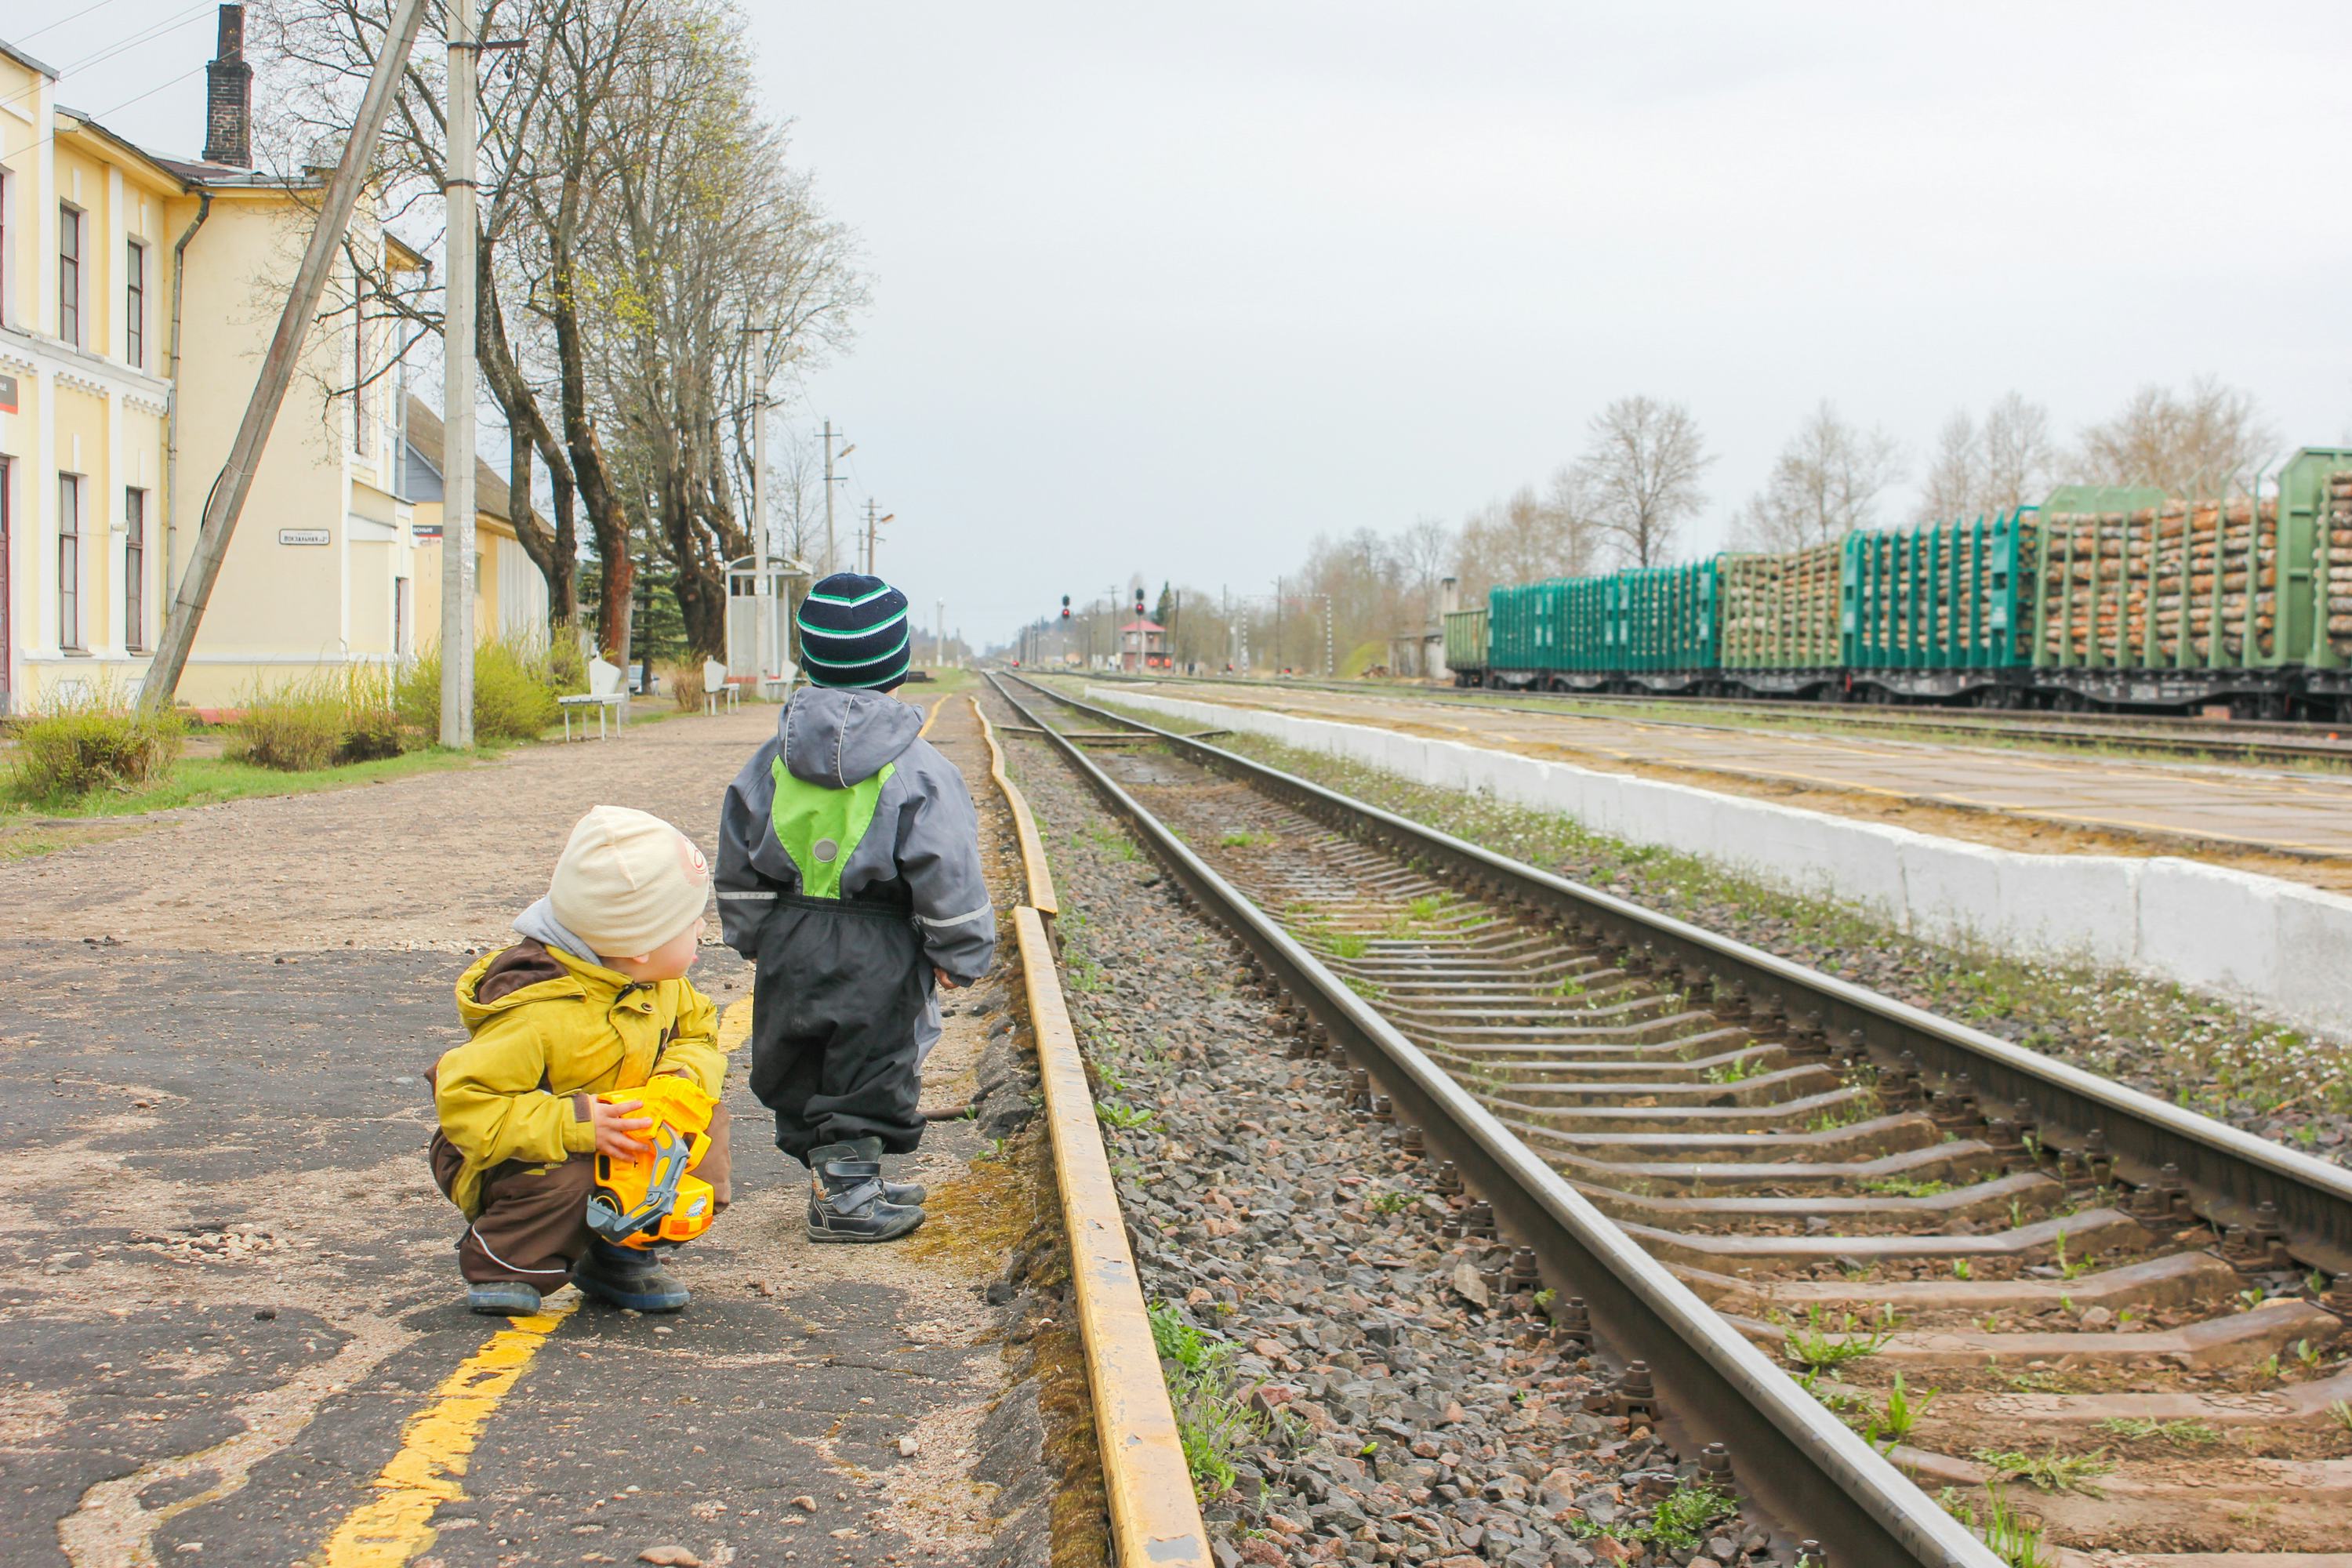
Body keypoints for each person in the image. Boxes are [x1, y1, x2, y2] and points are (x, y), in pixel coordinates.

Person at [717, 572, 996, 1243]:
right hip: (879, 939)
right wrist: (959, 951)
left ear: (808, 662)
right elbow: (946, 865)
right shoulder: (920, 768)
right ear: (898, 668)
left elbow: (739, 848)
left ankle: (842, 1179)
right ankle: (848, 1198)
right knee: (874, 1059)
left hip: (790, 929)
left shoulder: (770, 760)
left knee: (803, 1056)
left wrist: (752, 932)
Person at [430, 805, 728, 1316]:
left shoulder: (663, 986)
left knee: (701, 1132)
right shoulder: (538, 1011)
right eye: (687, 921)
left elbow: (697, 1032)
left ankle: (618, 1254)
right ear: (637, 945)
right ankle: (506, 1260)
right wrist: (575, 1124)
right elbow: (466, 1104)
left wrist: (680, 1078)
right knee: (570, 1176)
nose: (701, 928)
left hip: (616, 1138)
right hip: (503, 1154)